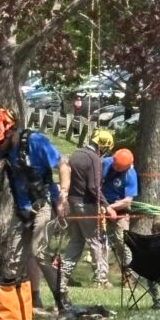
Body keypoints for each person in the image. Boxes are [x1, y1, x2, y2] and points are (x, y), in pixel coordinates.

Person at [0, 108, 71, 310]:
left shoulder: (36, 142)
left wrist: (63, 196)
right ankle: (17, 307)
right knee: (12, 259)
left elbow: (64, 165)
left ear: (11, 132)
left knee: (39, 251)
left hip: (44, 203)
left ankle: (63, 299)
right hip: (20, 208)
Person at [59, 128, 117, 300]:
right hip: (86, 205)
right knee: (96, 241)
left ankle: (62, 277)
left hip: (72, 202)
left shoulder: (76, 154)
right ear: (103, 146)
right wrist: (107, 206)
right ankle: (101, 278)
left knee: (76, 241)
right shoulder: (94, 159)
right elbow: (93, 187)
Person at [101, 148, 138, 277]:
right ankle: (101, 276)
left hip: (120, 208)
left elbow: (128, 200)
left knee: (123, 241)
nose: (115, 168)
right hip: (102, 206)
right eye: (114, 165)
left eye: (119, 168)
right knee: (100, 241)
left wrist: (110, 207)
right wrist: (104, 206)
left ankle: (128, 274)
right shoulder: (105, 163)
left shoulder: (131, 174)